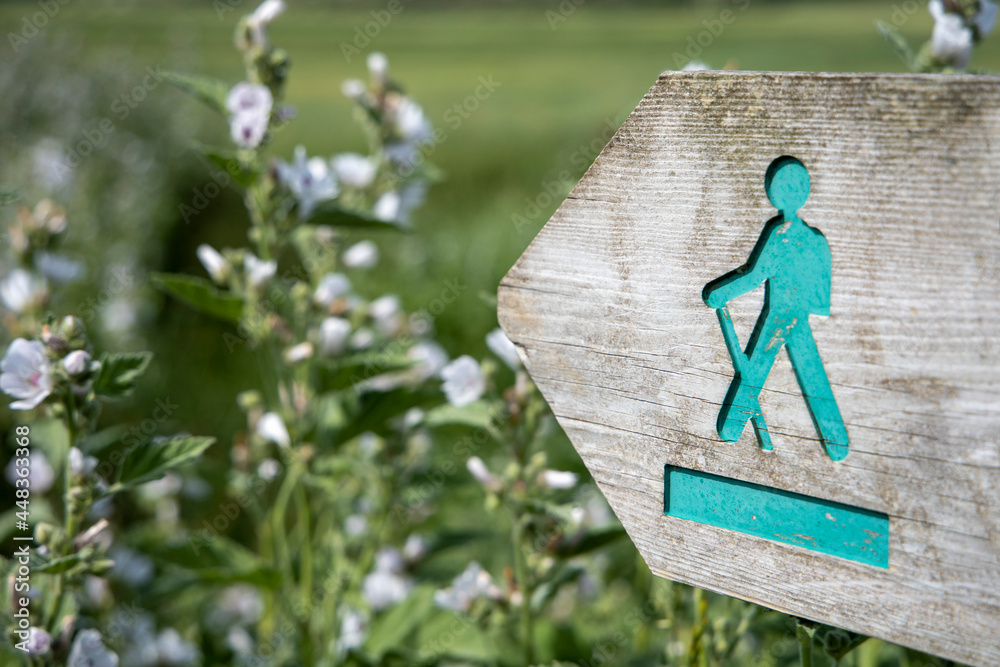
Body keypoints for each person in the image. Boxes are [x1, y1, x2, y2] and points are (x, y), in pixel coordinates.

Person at [703, 156, 849, 461]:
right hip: (800, 318)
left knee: (756, 371)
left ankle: (732, 428)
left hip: (778, 317)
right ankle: (837, 443)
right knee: (812, 375)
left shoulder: (780, 235)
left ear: (776, 195)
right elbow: (821, 301)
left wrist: (720, 294)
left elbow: (754, 277)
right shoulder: (816, 241)